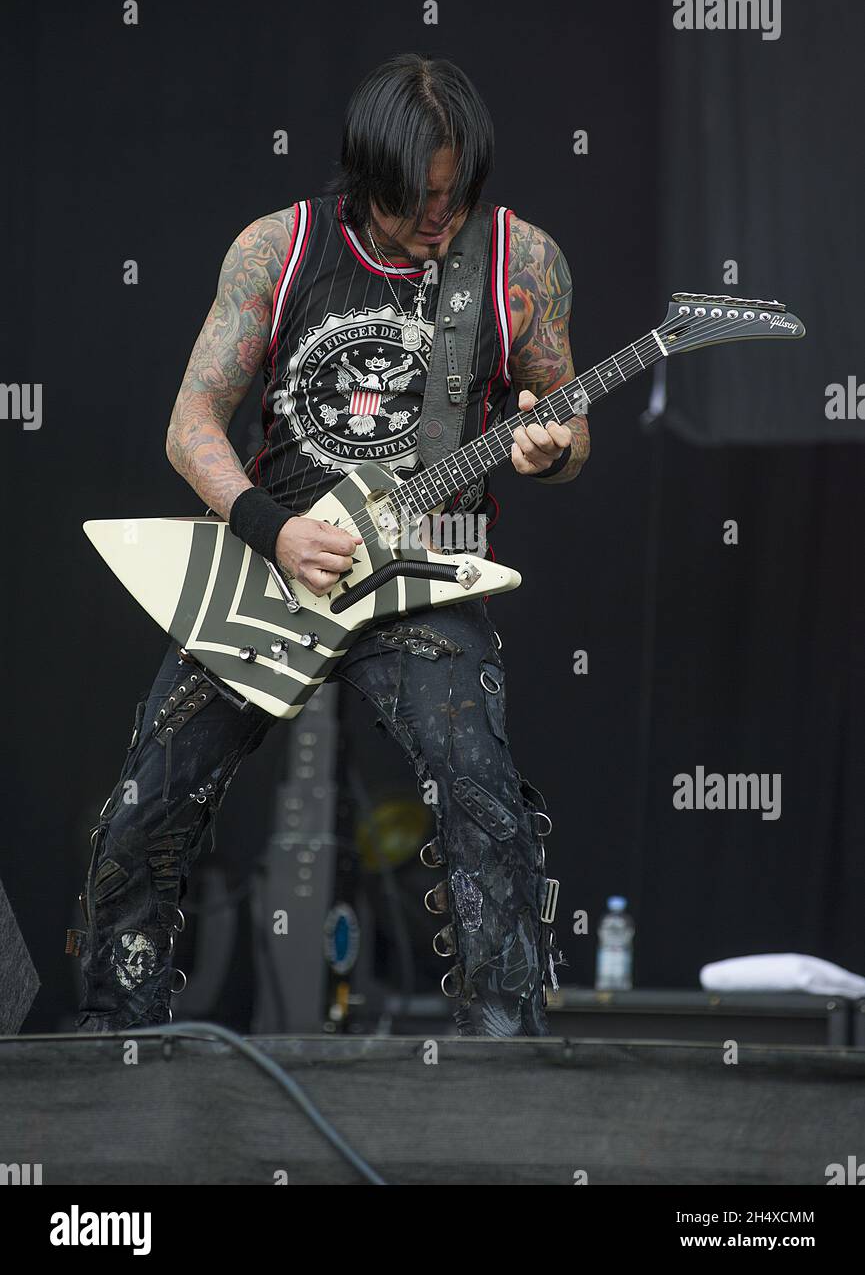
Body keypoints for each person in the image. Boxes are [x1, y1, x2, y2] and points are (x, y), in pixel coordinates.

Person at [66, 53, 590, 1037]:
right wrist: (270, 526)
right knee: (146, 804)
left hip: (424, 584)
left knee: (486, 807)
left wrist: (551, 446)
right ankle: (115, 1045)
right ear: (365, 174)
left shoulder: (518, 262)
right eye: (417, 198)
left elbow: (564, 437)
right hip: (271, 574)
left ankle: (506, 1059)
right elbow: (191, 427)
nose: (441, 217)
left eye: (457, 191)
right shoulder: (279, 247)